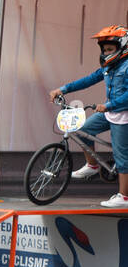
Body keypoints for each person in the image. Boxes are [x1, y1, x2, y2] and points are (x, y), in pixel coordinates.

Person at [51, 25, 128, 208]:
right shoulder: (109, 67)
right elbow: (88, 79)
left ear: (123, 46)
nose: (106, 52)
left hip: (124, 115)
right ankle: (92, 166)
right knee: (82, 128)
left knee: (121, 157)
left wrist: (108, 105)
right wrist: (63, 89)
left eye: (110, 49)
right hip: (110, 113)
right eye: (104, 49)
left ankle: (124, 197)